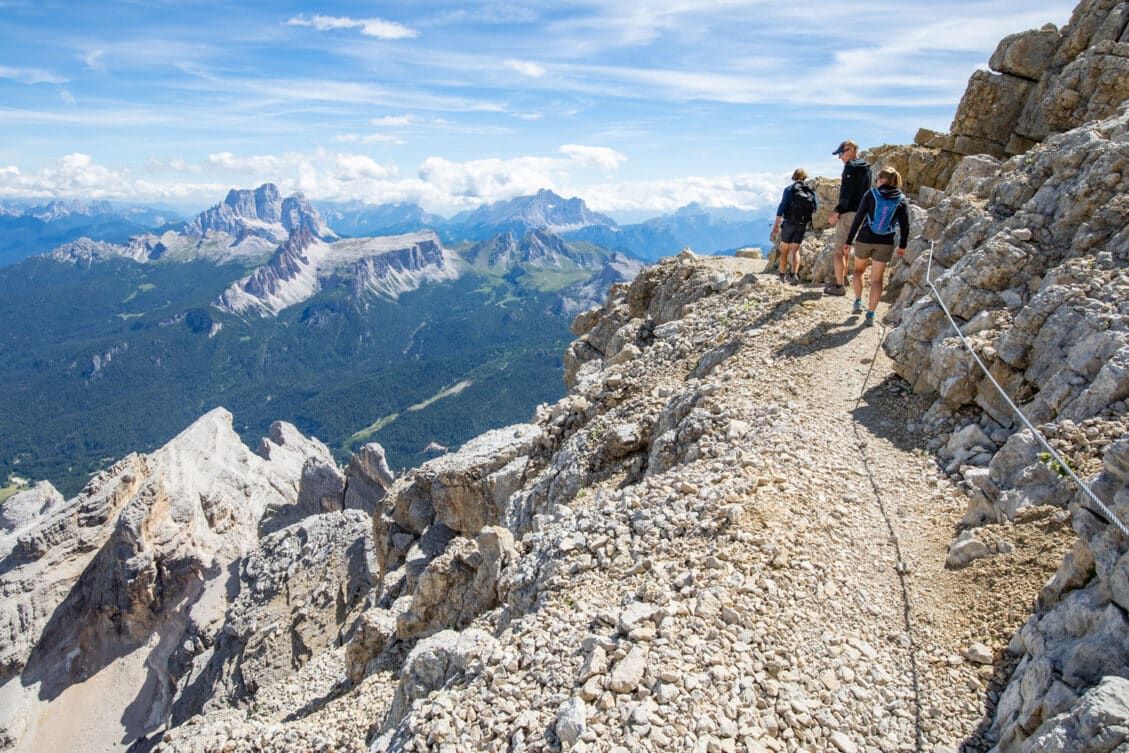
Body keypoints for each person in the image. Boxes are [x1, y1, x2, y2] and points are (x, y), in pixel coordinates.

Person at [843, 166, 910, 327]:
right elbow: (905, 225)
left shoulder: (871, 194)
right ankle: (871, 314)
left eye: (879, 178)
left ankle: (858, 301)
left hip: (865, 238)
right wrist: (903, 245)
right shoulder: (901, 198)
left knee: (859, 271)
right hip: (885, 242)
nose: (877, 181)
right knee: (877, 280)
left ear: (883, 179)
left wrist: (848, 241)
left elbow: (858, 218)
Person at [824, 140, 872, 296]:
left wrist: (837, 211)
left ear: (851, 150)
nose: (840, 158)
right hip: (862, 214)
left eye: (841, 153)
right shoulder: (867, 167)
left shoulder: (850, 167)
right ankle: (843, 279)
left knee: (839, 251)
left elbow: (846, 193)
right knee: (847, 247)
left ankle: (839, 285)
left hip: (848, 213)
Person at [771, 168, 817, 284]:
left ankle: (782, 275)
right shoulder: (809, 191)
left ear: (794, 177)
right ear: (804, 177)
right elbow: (815, 207)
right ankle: (794, 274)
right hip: (802, 224)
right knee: (795, 250)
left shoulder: (788, 190)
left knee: (785, 250)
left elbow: (781, 208)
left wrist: (776, 225)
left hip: (789, 224)